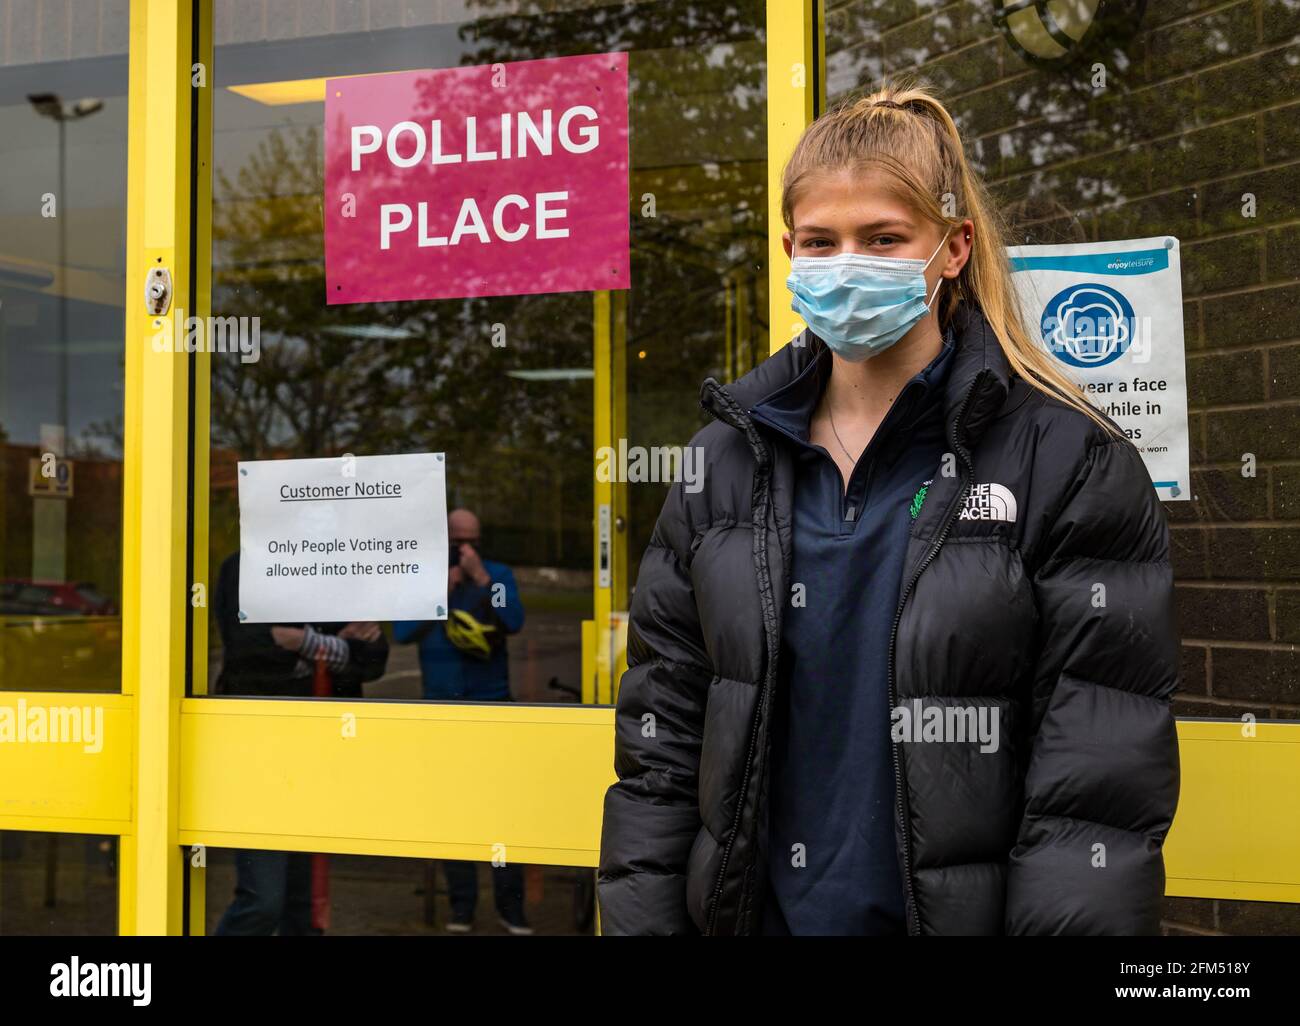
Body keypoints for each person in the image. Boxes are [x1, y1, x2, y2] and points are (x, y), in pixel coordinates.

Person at [596, 82, 1180, 936]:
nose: (846, 266)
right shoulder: (725, 461)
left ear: (952, 248)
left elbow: (1094, 787)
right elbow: (662, 746)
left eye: (882, 238)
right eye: (820, 242)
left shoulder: (1067, 461)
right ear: (788, 250)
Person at [210, 550, 389, 935]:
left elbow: (373, 657)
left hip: (319, 751)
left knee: (304, 906)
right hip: (260, 747)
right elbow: (246, 649)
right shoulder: (243, 566)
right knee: (263, 900)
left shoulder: (339, 565)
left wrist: (301, 642)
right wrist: (333, 644)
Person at [393, 508, 530, 934]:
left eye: (472, 540)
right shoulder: (426, 577)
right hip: (442, 707)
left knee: (501, 809)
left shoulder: (498, 574)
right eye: (457, 541)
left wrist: (484, 583)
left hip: (492, 705)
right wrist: (440, 590)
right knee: (453, 810)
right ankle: (461, 907)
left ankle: (511, 907)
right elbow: (402, 631)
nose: (465, 548)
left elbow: (512, 619)